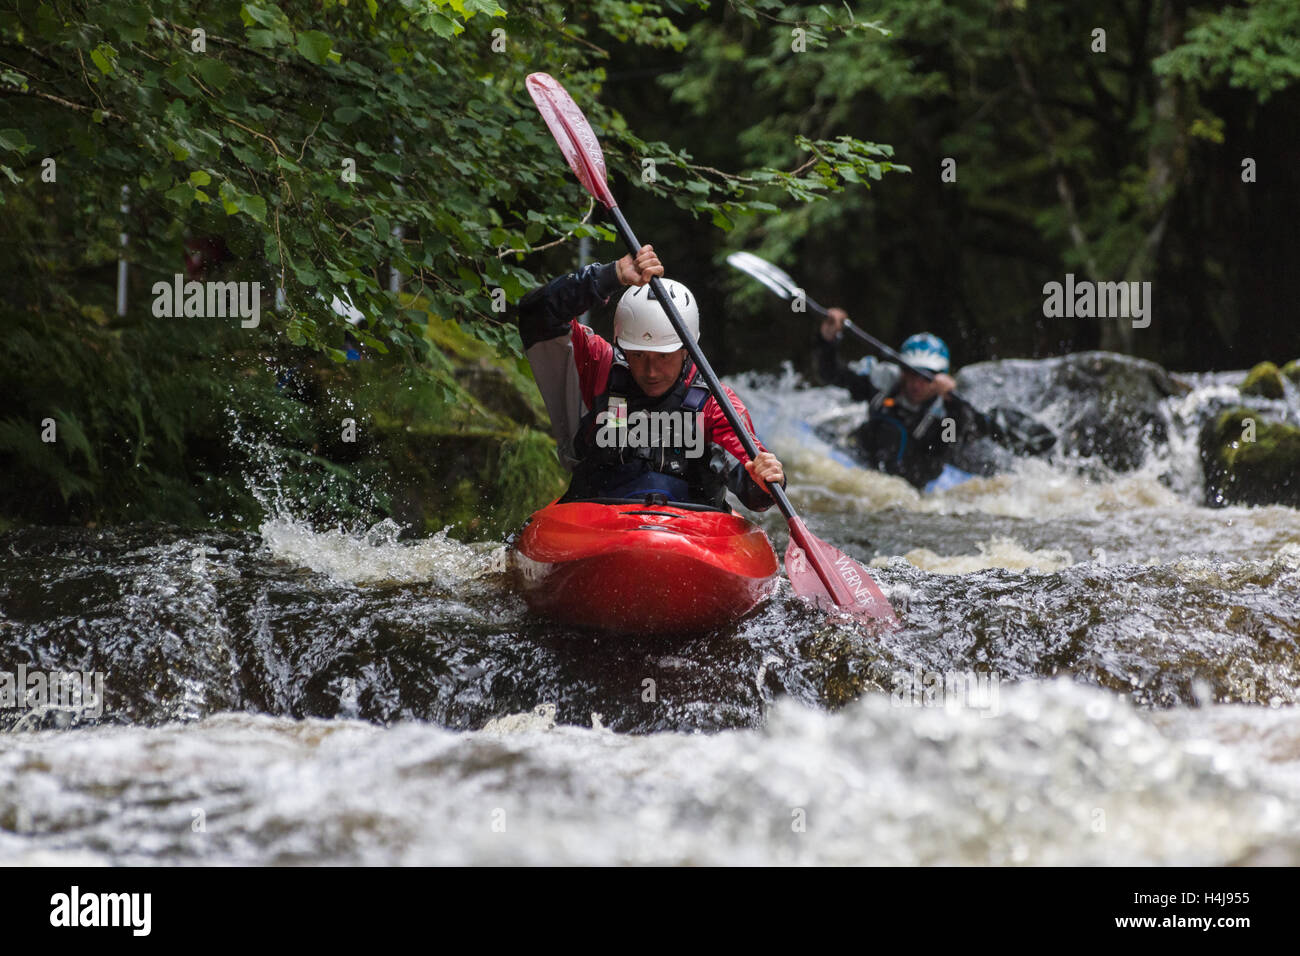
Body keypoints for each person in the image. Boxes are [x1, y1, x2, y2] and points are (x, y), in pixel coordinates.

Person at [517, 244, 785, 511]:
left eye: (664, 356)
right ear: (623, 346)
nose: (651, 371)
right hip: (600, 523)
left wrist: (766, 482)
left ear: (686, 350)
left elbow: (753, 492)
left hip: (690, 533)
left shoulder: (715, 403)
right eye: (638, 355)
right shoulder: (598, 367)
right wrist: (610, 276)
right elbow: (537, 314)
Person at [814, 308, 982, 490]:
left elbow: (950, 443)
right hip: (864, 463)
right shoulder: (884, 382)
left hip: (907, 484)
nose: (916, 384)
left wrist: (954, 407)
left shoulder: (947, 415)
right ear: (902, 371)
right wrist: (828, 341)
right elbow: (831, 375)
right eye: (911, 373)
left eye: (926, 377)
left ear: (940, 377)